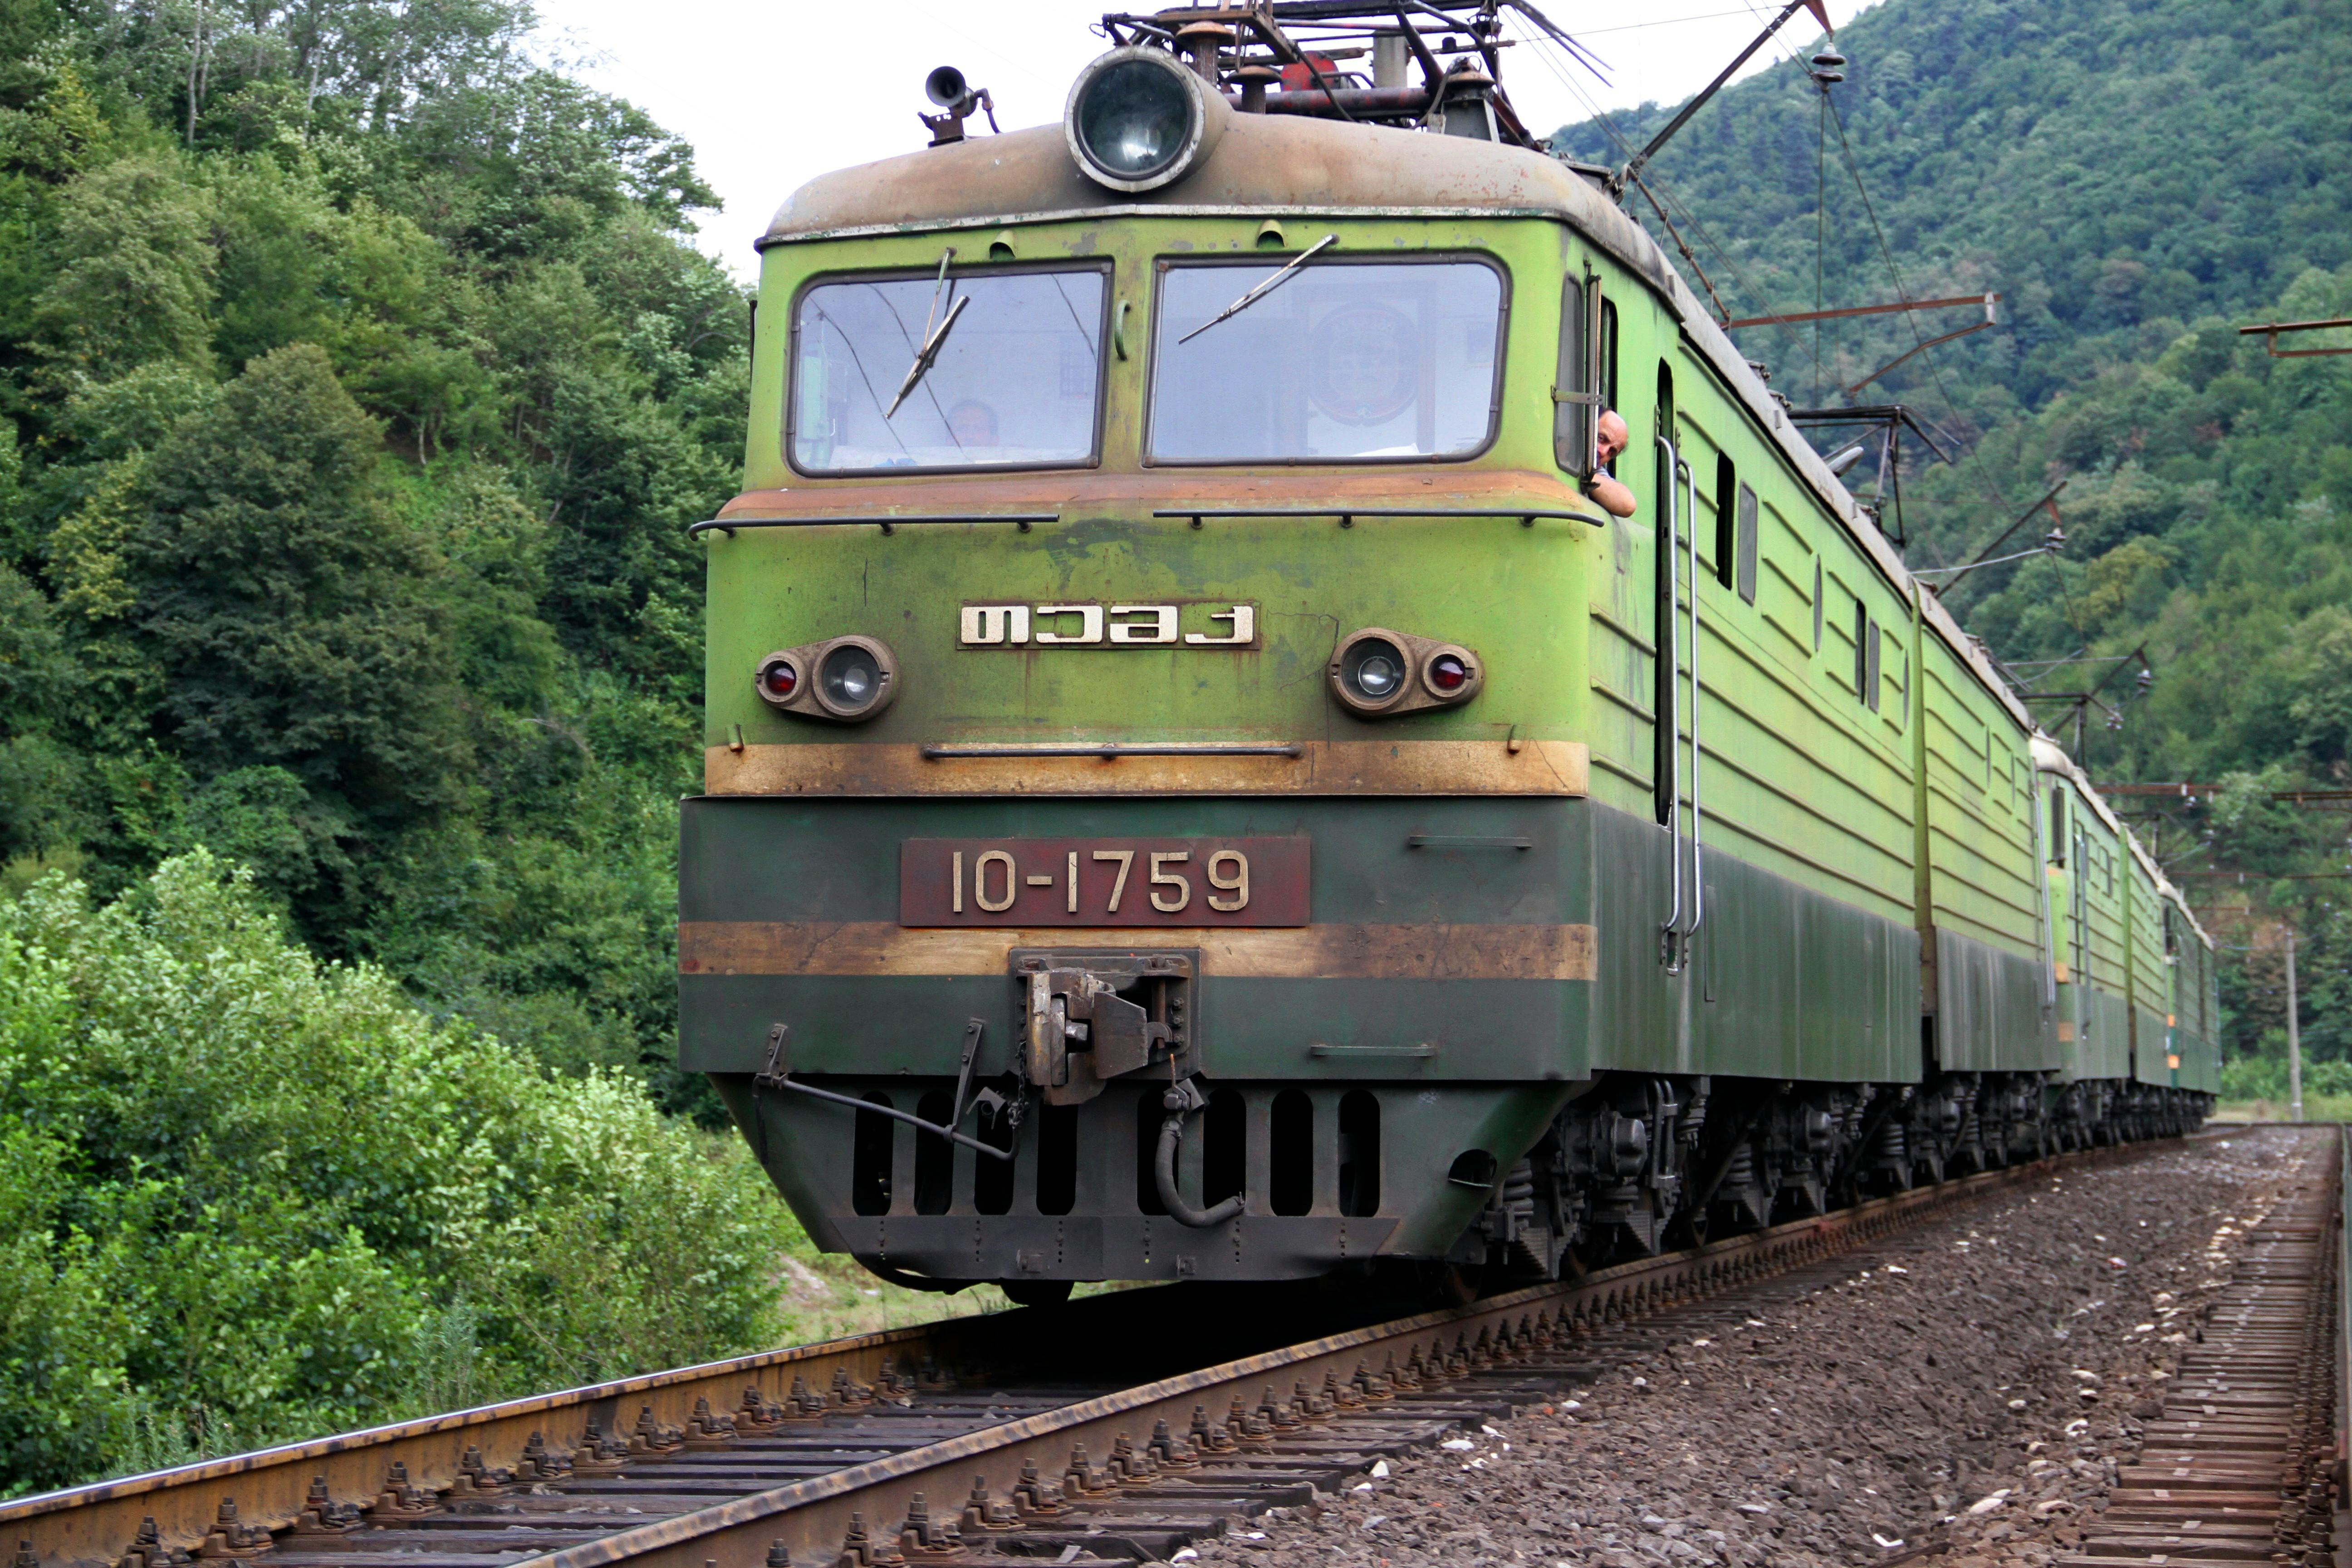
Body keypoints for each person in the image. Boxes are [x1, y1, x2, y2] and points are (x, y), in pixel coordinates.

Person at [1584, 409, 1637, 519]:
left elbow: (1627, 505)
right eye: (1601, 439)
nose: (1604, 452)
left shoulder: (1595, 471)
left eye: (1612, 451)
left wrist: (1584, 475)